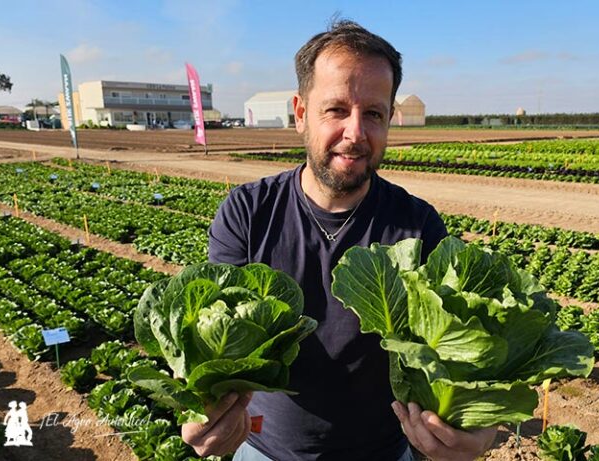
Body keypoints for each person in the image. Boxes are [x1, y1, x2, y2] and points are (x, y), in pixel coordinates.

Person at [183, 20, 497, 461]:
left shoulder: (418, 225)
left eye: (373, 113)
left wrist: (479, 431)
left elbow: (458, 351)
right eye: (336, 109)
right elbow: (216, 339)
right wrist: (201, 410)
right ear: (300, 114)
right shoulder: (247, 214)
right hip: (264, 451)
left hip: (384, 452)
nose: (355, 133)